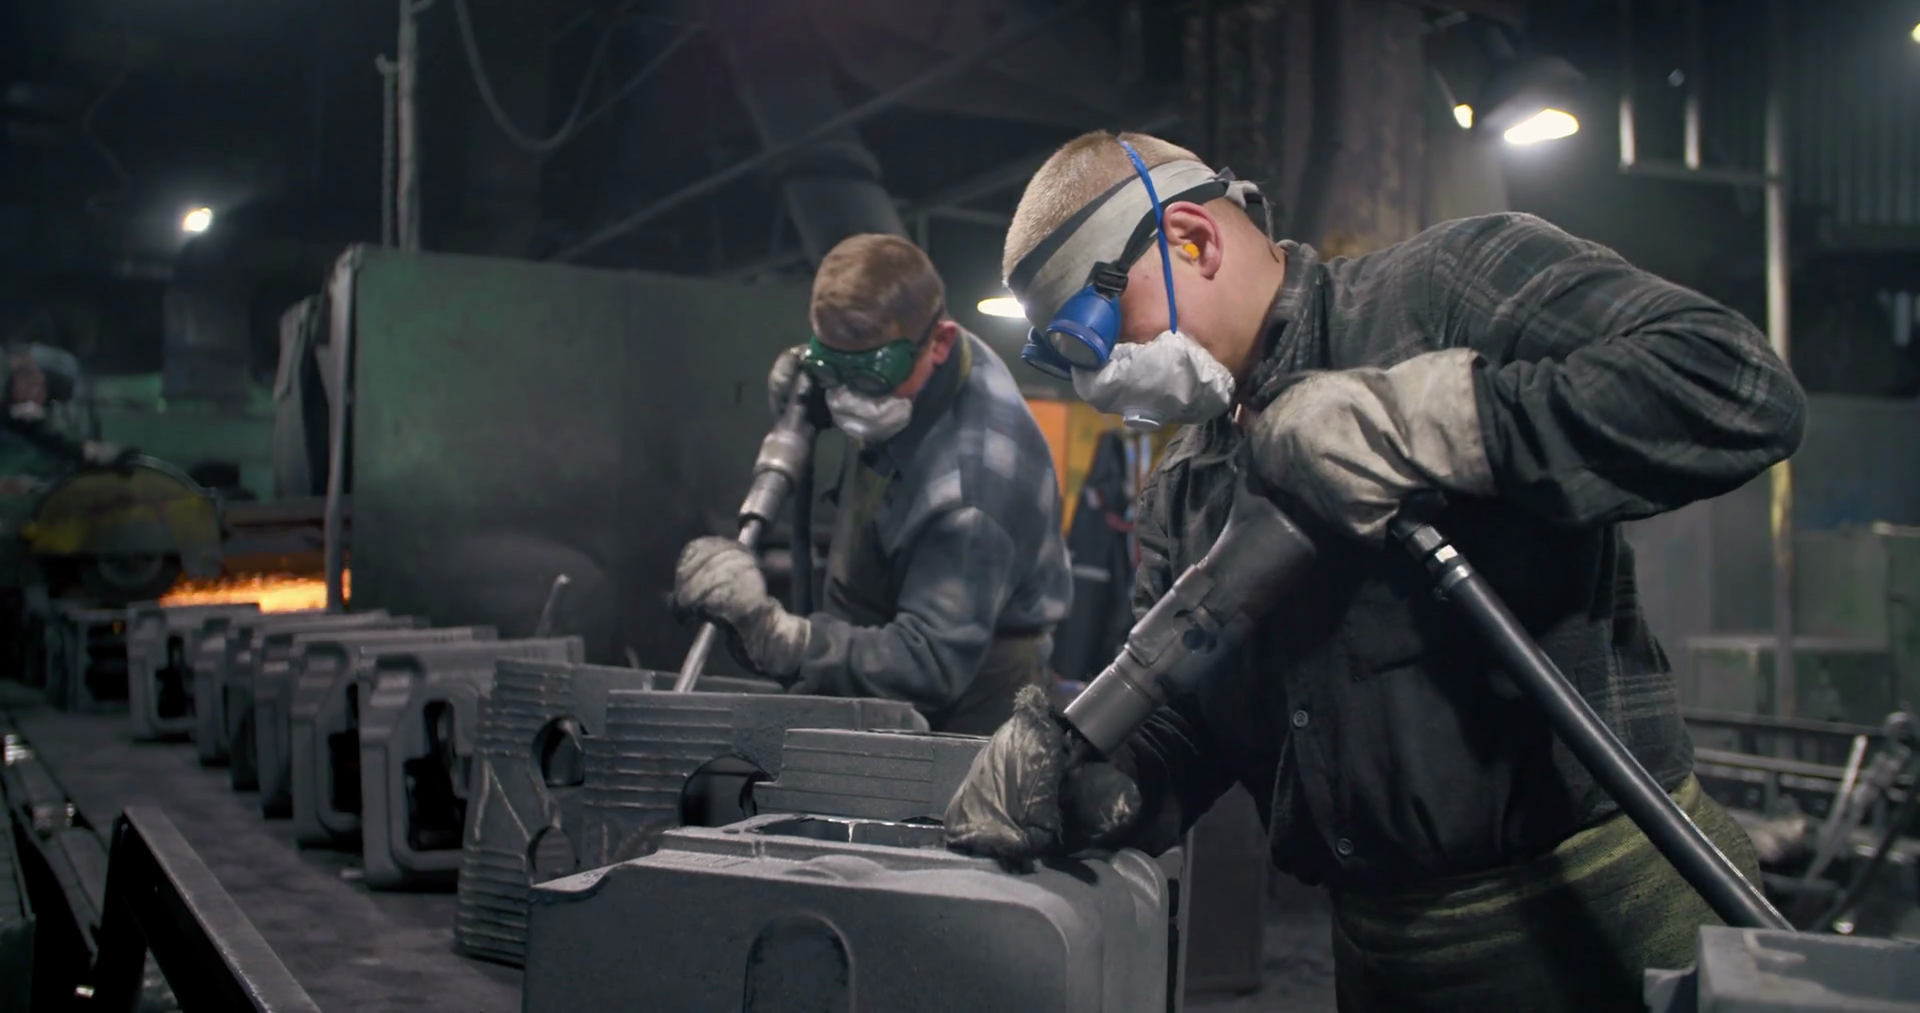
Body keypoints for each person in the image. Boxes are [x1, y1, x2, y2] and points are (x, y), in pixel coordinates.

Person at [943, 132, 1806, 1011]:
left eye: (1097, 334)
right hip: (1389, 961)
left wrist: (1439, 423)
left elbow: (1735, 387)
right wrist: (1086, 779)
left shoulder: (1442, 292)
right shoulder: (1185, 490)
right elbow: (1190, 729)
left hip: (1620, 918)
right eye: (1069, 361)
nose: (1100, 384)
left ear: (1194, 240)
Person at [671, 233, 1073, 735]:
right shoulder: (914, 354)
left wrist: (786, 639)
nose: (846, 399)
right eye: (831, 368)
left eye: (868, 376)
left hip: (970, 691)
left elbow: (929, 662)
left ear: (941, 342)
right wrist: (816, 378)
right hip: (874, 629)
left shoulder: (972, 491)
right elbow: (854, 362)